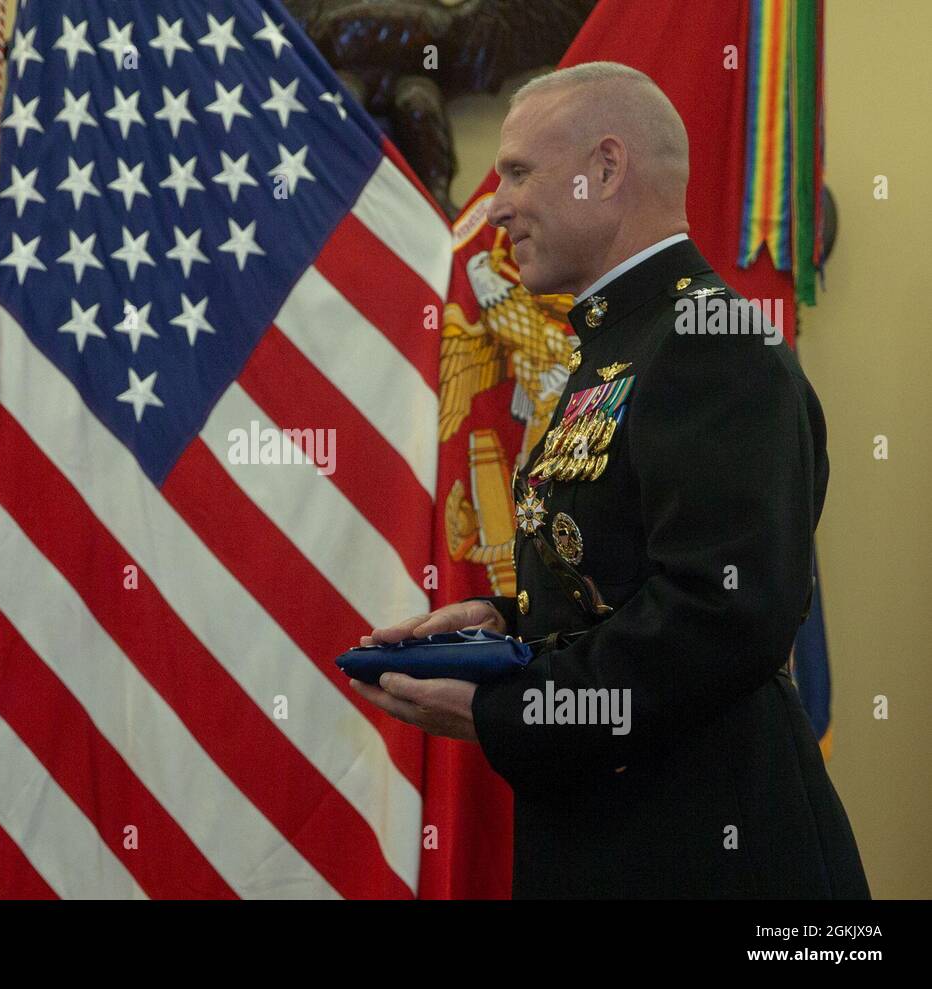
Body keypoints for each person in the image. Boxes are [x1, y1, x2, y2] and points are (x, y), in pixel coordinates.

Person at [352, 62, 869, 898]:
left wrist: (506, 711)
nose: (501, 202)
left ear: (605, 168)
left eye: (519, 171)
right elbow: (627, 580)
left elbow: (723, 613)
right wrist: (504, 620)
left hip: (711, 853)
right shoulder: (619, 347)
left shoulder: (709, 342)